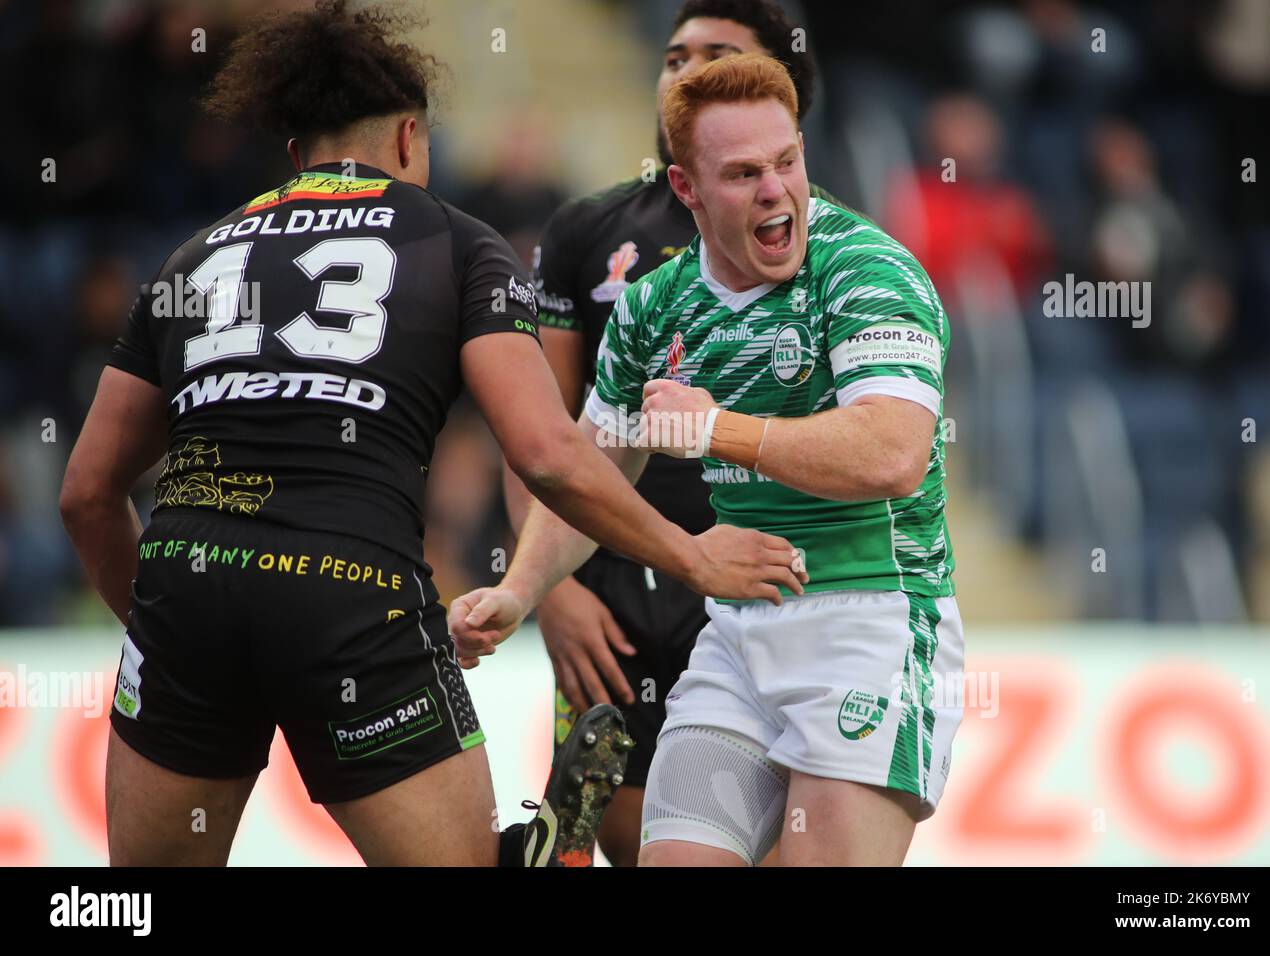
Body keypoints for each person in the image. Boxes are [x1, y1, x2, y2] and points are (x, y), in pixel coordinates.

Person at [59, 1, 803, 867]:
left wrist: (169, 636)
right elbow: (549, 455)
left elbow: (84, 493)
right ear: (410, 139)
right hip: (346, 591)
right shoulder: (457, 244)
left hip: (185, 586)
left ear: (295, 152)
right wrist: (695, 556)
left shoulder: (195, 255)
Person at [454, 53, 963, 867]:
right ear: (686, 190)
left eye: (786, 162)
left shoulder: (867, 269)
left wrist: (719, 428)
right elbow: (593, 472)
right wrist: (520, 590)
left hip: (870, 627)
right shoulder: (655, 305)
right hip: (734, 638)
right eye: (742, 174)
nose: (775, 190)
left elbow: (894, 452)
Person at [508, 0, 844, 867]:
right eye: (672, 56)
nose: (686, 73)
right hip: (612, 581)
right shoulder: (588, 231)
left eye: (717, 55)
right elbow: (542, 433)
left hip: (764, 578)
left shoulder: (830, 247)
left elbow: (883, 443)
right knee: (633, 842)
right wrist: (547, 590)